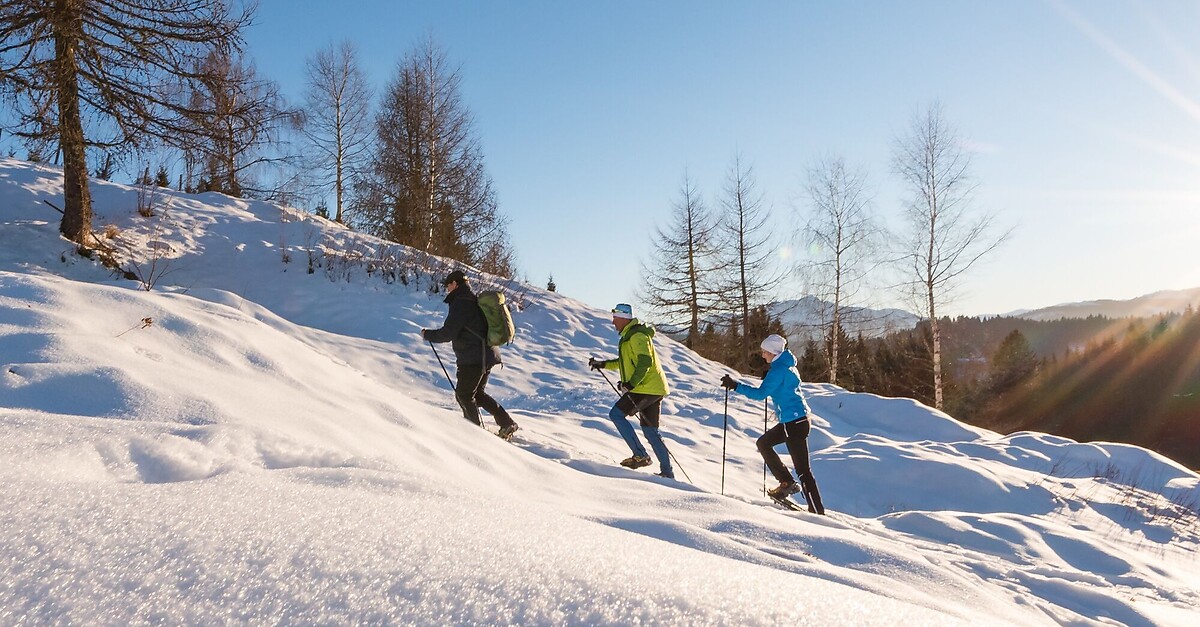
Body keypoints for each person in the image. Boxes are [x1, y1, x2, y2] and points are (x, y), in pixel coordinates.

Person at [721, 334, 825, 514]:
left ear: (773, 352)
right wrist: (770, 379)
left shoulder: (778, 371)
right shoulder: (787, 366)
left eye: (765, 352)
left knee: (803, 471)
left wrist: (736, 386)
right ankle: (787, 482)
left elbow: (760, 394)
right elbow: (782, 386)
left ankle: (817, 511)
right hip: (797, 420)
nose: (762, 355)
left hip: (793, 423)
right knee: (763, 443)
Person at [422, 270, 519, 440]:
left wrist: (428, 335)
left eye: (448, 285)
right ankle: (506, 423)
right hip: (487, 353)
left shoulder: (461, 303)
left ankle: (474, 436)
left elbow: (449, 332)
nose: (447, 289)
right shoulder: (471, 299)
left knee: (464, 395)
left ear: (455, 284)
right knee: (477, 394)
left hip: (473, 357)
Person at [588, 303, 675, 479]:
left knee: (616, 414)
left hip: (644, 387)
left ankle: (641, 455)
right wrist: (603, 364)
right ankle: (667, 473)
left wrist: (631, 384)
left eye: (615, 318)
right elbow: (623, 362)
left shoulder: (637, 336)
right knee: (650, 431)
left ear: (624, 318)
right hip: (653, 388)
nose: (613, 322)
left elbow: (645, 362)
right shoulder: (630, 336)